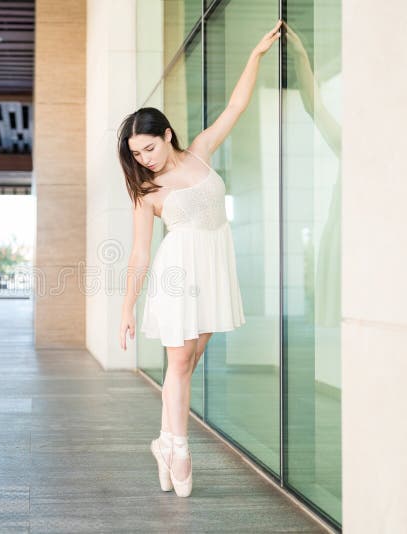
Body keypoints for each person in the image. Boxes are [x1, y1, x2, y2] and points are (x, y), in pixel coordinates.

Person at [117, 20, 283, 497]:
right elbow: (140, 252)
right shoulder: (146, 190)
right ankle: (180, 448)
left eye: (149, 147)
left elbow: (235, 106)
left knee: (187, 364)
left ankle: (165, 442)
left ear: (167, 135)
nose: (144, 158)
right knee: (180, 361)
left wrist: (254, 55)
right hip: (178, 273)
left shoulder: (202, 152)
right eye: (136, 153)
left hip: (214, 266)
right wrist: (127, 306)